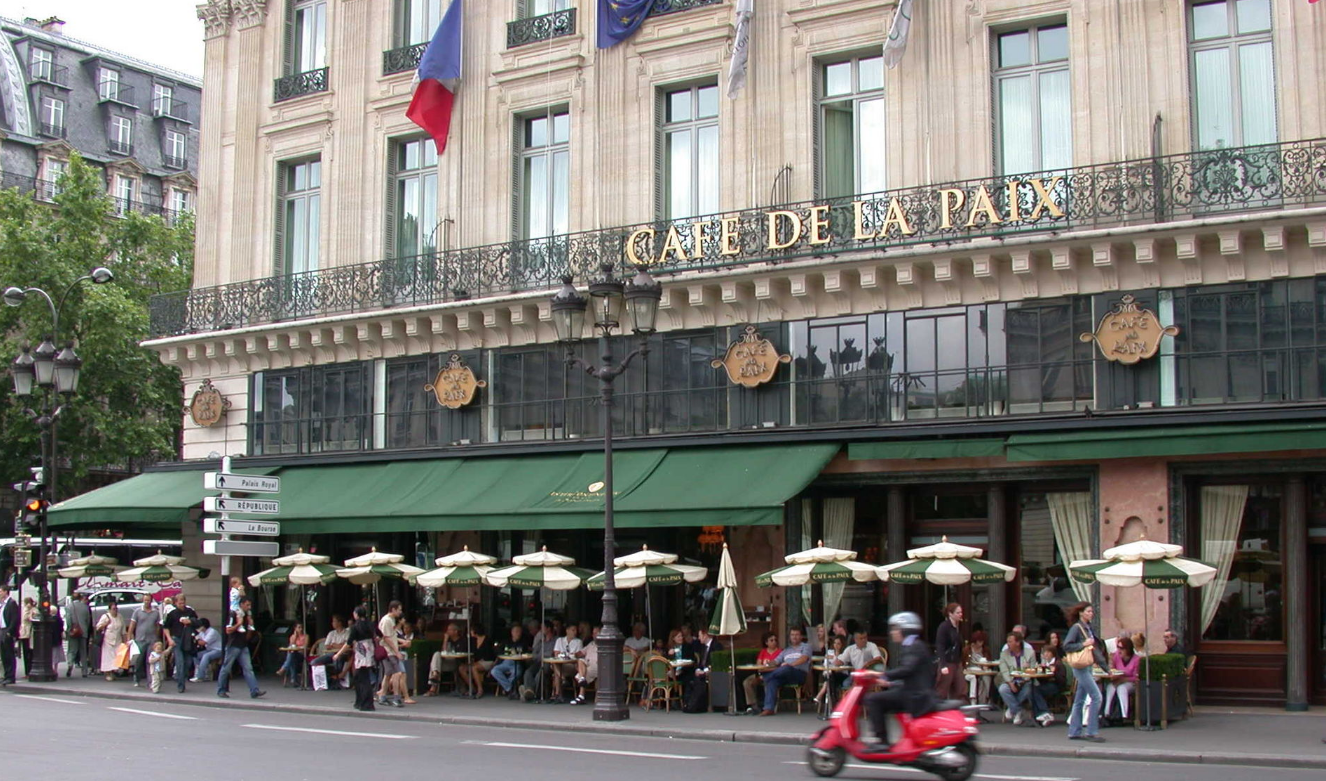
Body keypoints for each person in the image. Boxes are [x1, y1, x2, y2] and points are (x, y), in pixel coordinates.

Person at [863, 612, 938, 753]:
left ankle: (882, 741)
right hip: (913, 691)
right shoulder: (913, 645)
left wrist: (883, 675)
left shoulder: (914, 647)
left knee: (874, 699)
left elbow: (907, 669)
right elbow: (913, 674)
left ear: (905, 630)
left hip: (915, 695)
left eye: (896, 628)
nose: (893, 632)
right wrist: (890, 683)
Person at [1063, 601, 1106, 743]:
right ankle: (1091, 731)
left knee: (1079, 700)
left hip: (1086, 666)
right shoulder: (1077, 628)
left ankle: (1074, 731)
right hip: (1080, 667)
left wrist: (1105, 668)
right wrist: (1083, 644)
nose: (1091, 614)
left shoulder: (1088, 628)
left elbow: (1096, 651)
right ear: (1081, 613)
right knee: (1096, 697)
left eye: (1091, 611)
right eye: (1088, 611)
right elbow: (1067, 645)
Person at [997, 631, 1052, 726]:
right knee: (1003, 689)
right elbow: (1004, 671)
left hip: (1025, 681)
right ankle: (1018, 711)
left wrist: (1024, 677)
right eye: (1007, 641)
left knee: (1029, 689)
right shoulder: (1004, 654)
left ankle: (1012, 709)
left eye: (1010, 642)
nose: (1008, 644)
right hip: (1011, 680)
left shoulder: (1030, 653)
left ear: (1018, 643)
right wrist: (1010, 683)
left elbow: (1032, 669)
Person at [217, 596, 266, 699]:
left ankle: (254, 690)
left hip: (243, 645)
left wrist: (250, 627)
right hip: (233, 644)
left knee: (248, 668)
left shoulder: (246, 616)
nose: (249, 607)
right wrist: (238, 624)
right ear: (241, 604)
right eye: (247, 605)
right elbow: (228, 630)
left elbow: (248, 636)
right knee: (226, 667)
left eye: (250, 605)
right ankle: (221, 689)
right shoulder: (234, 614)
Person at [757, 627, 812, 716]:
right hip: (784, 675)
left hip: (798, 674)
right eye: (792, 635)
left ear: (801, 636)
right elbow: (776, 661)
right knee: (772, 681)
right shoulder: (786, 650)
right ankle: (769, 708)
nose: (794, 637)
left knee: (785, 668)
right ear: (789, 637)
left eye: (797, 635)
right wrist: (767, 665)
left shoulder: (806, 647)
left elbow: (804, 658)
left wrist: (790, 665)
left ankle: (765, 677)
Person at [336, 605, 377, 711]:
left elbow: (348, 643)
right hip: (369, 650)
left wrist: (338, 654)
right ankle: (362, 702)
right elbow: (379, 635)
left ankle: (365, 702)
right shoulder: (370, 624)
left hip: (361, 651)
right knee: (362, 677)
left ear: (357, 614)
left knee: (362, 678)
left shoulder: (355, 627)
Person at [162, 594, 199, 693]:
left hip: (188, 639)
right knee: (180, 662)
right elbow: (166, 627)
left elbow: (197, 623)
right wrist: (169, 639)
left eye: (183, 602)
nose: (182, 604)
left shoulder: (190, 612)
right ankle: (180, 685)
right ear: (175, 603)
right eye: (180, 602)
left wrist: (190, 621)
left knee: (188, 662)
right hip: (177, 639)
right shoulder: (172, 614)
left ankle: (183, 676)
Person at [742, 631, 782, 713]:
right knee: (747, 682)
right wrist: (766, 668)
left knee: (769, 682)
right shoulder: (763, 652)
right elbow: (759, 666)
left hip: (772, 675)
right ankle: (753, 705)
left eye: (775, 640)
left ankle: (769, 706)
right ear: (766, 642)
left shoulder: (780, 652)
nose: (774, 642)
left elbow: (779, 667)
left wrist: (766, 669)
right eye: (771, 640)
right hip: (761, 675)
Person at [376, 600, 406, 707]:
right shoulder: (387, 620)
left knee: (388, 674)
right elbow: (387, 637)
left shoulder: (390, 620)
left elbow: (391, 635)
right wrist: (397, 652)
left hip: (389, 651)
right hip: (389, 651)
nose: (400, 612)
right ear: (393, 609)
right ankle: (396, 698)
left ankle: (383, 696)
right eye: (399, 610)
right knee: (397, 673)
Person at [127, 593, 160, 688]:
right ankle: (137, 678)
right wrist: (129, 636)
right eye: (145, 600)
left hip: (152, 640)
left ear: (151, 601)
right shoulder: (137, 611)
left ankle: (150, 681)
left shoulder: (155, 613)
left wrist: (157, 638)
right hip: (140, 639)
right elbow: (132, 624)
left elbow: (158, 626)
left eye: (148, 600)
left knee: (150, 661)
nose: (146, 602)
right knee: (139, 660)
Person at [933, 603, 965, 700]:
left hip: (956, 662)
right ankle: (938, 710)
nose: (960, 614)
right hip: (947, 662)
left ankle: (960, 711)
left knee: (961, 689)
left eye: (961, 612)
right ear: (950, 614)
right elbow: (940, 646)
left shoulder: (957, 627)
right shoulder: (944, 627)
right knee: (942, 690)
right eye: (958, 613)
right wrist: (943, 665)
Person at [1105, 635, 1141, 723]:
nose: (1119, 650)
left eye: (1121, 648)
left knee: (1122, 688)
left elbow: (1136, 677)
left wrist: (1123, 680)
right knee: (1110, 687)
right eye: (1118, 647)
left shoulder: (1136, 659)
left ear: (1127, 649)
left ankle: (1124, 714)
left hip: (1130, 682)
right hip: (1118, 680)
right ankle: (1107, 712)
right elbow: (1112, 668)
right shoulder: (1116, 656)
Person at [309, 614, 350, 688]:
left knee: (337, 664)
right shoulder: (331, 633)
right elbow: (327, 646)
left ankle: (332, 680)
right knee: (314, 662)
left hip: (342, 654)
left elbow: (346, 645)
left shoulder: (347, 633)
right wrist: (338, 645)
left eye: (334, 621)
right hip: (330, 654)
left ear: (339, 623)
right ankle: (325, 680)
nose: (332, 623)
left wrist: (334, 644)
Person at [491, 624, 530, 699]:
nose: (518, 633)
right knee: (494, 671)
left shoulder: (523, 643)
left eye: (519, 632)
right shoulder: (506, 641)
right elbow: (498, 650)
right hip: (505, 662)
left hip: (517, 662)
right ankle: (510, 689)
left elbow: (526, 654)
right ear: (512, 632)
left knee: (517, 672)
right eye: (516, 631)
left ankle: (507, 689)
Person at [426, 622, 465, 696]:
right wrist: (445, 640)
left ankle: (433, 687)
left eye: (449, 630)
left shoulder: (462, 641)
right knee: (437, 654)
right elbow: (443, 652)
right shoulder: (448, 641)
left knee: (435, 665)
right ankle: (435, 674)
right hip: (447, 661)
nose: (447, 632)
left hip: (456, 662)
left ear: (455, 631)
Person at [521, 621, 555, 702]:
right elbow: (534, 653)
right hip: (538, 662)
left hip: (548, 663)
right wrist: (540, 656)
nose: (541, 630)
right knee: (528, 672)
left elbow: (551, 653)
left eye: (543, 628)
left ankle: (530, 692)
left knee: (540, 673)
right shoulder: (541, 641)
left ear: (548, 629)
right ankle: (529, 691)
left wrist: (539, 656)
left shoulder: (555, 641)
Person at [462, 623, 497, 699]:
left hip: (488, 661)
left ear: (475, 631)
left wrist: (478, 660)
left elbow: (491, 654)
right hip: (478, 662)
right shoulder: (473, 640)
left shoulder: (487, 639)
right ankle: (472, 688)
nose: (470, 632)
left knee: (474, 668)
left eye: (471, 631)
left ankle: (480, 689)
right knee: (462, 668)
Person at [95, 601, 127, 682]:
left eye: (116, 609)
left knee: (116, 657)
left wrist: (125, 640)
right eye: (113, 609)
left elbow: (123, 630)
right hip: (108, 640)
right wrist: (105, 624)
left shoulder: (120, 617)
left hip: (117, 640)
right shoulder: (105, 616)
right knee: (108, 657)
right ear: (109, 610)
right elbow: (98, 627)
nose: (115, 611)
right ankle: (107, 673)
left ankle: (113, 672)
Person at [569, 625, 600, 705]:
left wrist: (631, 649)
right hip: (588, 665)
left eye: (596, 633)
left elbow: (621, 647)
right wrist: (572, 654)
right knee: (580, 661)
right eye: (593, 633)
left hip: (598, 666)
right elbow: (580, 653)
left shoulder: (606, 644)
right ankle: (582, 680)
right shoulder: (591, 644)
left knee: (584, 672)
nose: (594, 635)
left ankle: (581, 695)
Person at [552, 623, 583, 701]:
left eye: (576, 630)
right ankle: (563, 679)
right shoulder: (560, 640)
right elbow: (556, 653)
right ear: (567, 631)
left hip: (571, 665)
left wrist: (565, 655)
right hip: (561, 665)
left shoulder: (578, 642)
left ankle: (557, 694)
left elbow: (578, 655)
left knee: (556, 672)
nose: (575, 632)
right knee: (554, 663)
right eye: (573, 630)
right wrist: (569, 655)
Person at [64, 591, 91, 677]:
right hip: (83, 631)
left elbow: (68, 620)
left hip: (74, 631)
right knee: (83, 651)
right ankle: (84, 671)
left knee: (72, 650)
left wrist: (69, 630)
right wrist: (85, 628)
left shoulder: (69, 607)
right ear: (80, 598)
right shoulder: (85, 607)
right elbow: (88, 620)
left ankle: (70, 664)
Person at [816, 634, 849, 704]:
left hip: (841, 674)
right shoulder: (829, 652)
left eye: (838, 644)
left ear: (842, 645)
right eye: (835, 643)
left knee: (830, 678)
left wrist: (833, 658)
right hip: (830, 673)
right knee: (830, 677)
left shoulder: (845, 653)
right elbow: (825, 664)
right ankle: (833, 699)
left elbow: (839, 664)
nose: (836, 645)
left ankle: (822, 694)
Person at [963, 630, 992, 704]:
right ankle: (973, 699)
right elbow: (962, 662)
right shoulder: (967, 649)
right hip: (968, 671)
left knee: (987, 677)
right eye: (979, 641)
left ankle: (984, 699)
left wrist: (986, 666)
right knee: (972, 678)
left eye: (982, 642)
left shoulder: (985, 650)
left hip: (981, 671)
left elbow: (989, 661)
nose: (981, 644)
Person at [277, 622, 308, 687]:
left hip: (301, 655)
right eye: (299, 627)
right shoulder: (292, 637)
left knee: (291, 655)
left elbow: (305, 646)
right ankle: (294, 680)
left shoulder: (306, 636)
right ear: (295, 629)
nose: (301, 629)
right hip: (294, 654)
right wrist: (295, 636)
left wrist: (298, 647)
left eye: (301, 627)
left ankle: (283, 668)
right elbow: (291, 646)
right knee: (292, 656)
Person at [191, 618, 223, 682]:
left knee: (206, 656)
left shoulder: (212, 632)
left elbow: (202, 643)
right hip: (210, 650)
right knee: (195, 655)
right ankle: (198, 673)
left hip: (218, 650)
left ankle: (200, 677)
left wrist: (196, 637)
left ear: (204, 626)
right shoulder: (202, 632)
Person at [0, 585, 19, 684]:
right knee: (4, 655)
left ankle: (11, 676)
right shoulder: (2, 604)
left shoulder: (11, 603)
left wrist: (9, 631)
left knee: (9, 654)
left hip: (7, 631)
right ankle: (6, 675)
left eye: (0, 591)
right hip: (1, 630)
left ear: (5, 592)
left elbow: (15, 618)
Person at [19, 597, 36, 678]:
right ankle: (27, 671)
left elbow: (27, 618)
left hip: (29, 633)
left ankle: (30, 671)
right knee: (26, 653)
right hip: (24, 633)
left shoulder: (33, 610)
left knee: (30, 653)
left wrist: (28, 609)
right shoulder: (25, 609)